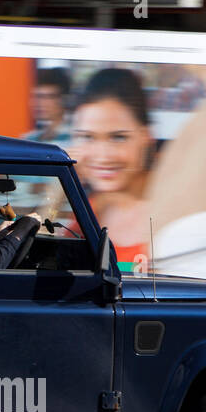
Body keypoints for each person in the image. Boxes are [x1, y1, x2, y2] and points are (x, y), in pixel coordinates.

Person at [69, 67, 156, 271]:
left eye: (118, 137)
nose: (103, 156)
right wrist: (59, 186)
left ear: (146, 137)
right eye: (87, 137)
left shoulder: (173, 207)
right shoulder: (85, 211)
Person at [22, 67, 72, 146]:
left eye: (47, 97)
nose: (38, 103)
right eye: (34, 96)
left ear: (64, 100)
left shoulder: (74, 138)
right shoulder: (28, 138)